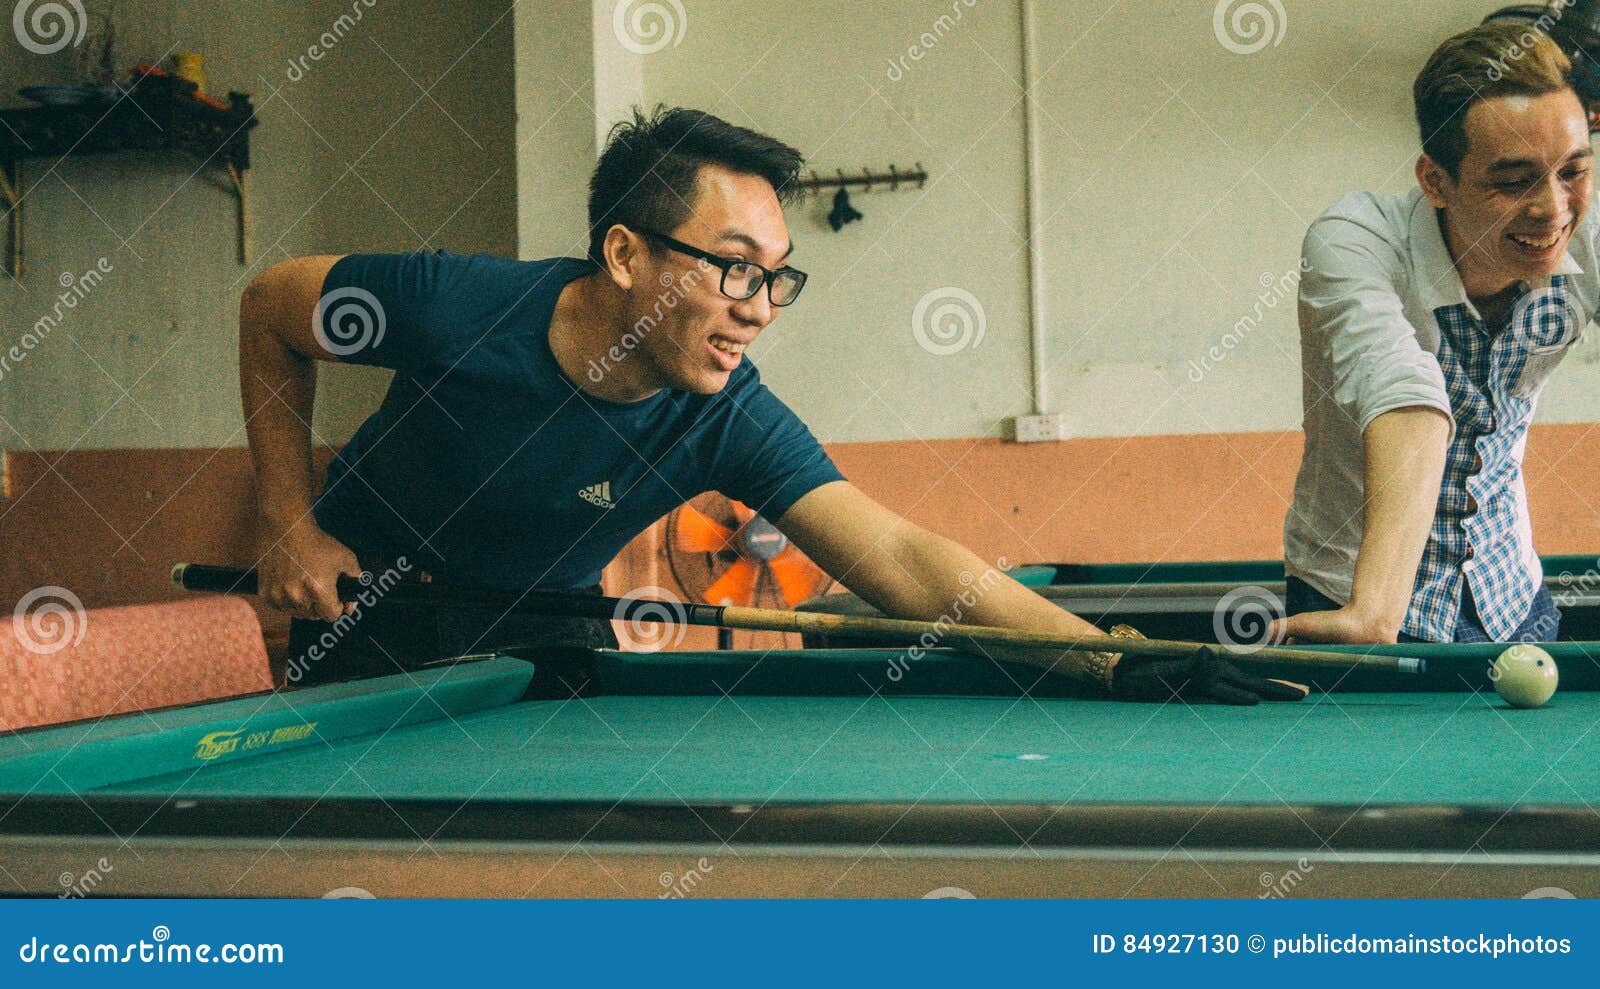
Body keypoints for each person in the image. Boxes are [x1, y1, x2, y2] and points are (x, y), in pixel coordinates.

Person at [240, 105, 1303, 704]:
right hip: (363, 638)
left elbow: (898, 556)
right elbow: (270, 307)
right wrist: (292, 521)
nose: (758, 308)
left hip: (536, 660)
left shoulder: (724, 413)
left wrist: (1110, 654)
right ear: (624, 252)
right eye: (733, 267)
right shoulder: (452, 304)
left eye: (776, 276)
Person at [1275, 24, 1597, 646]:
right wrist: (1376, 614)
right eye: (1513, 180)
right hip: (1355, 602)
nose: (1553, 209)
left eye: (1574, 171)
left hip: (1512, 604)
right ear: (1436, 181)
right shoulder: (1355, 240)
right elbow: (1407, 396)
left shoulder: (1592, 233)